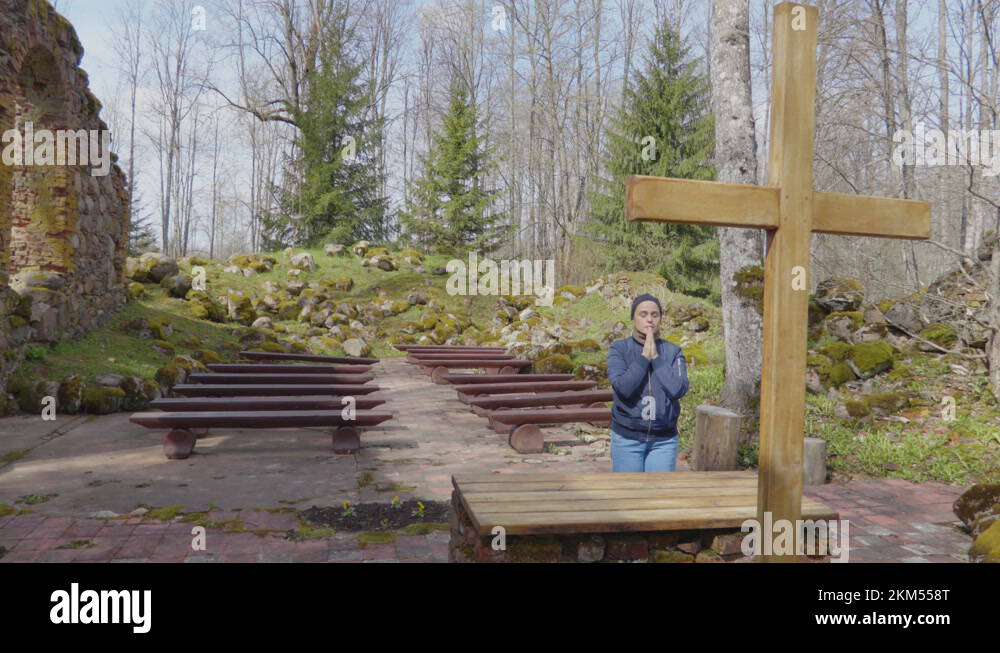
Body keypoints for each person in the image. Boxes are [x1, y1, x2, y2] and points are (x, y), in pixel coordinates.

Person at [606, 293, 689, 472]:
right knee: (629, 496)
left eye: (654, 314)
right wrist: (644, 358)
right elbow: (623, 388)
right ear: (633, 318)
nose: (649, 319)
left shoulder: (673, 352)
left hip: (663, 441)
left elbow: (678, 389)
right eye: (643, 314)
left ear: (660, 318)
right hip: (627, 439)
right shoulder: (619, 349)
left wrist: (657, 359)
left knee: (659, 496)